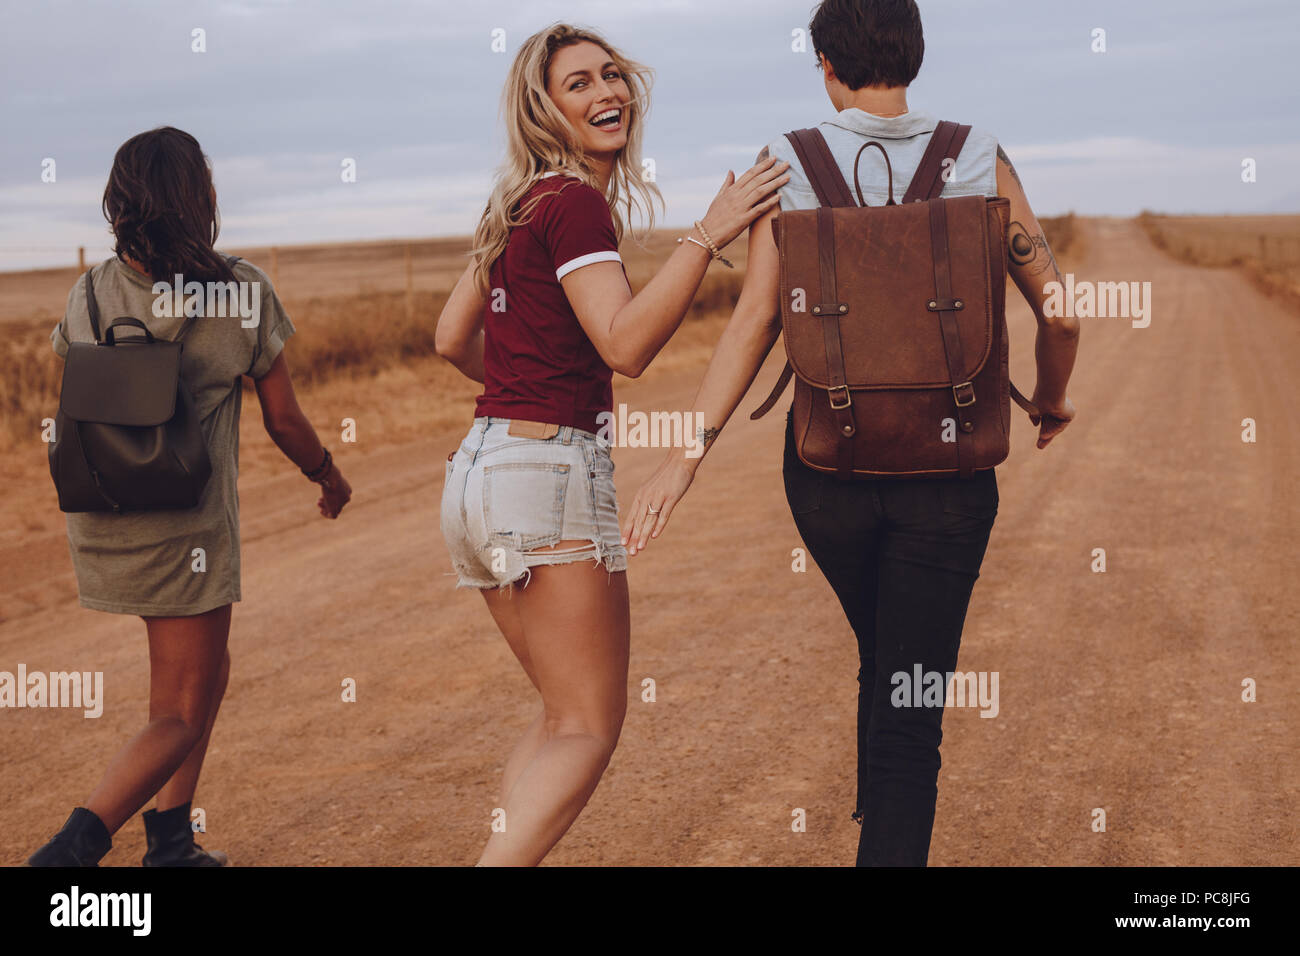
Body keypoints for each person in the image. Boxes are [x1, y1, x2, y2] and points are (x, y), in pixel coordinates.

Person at [621, 0, 1080, 866]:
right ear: (916, 54)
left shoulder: (787, 162)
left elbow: (754, 321)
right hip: (948, 476)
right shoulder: (982, 155)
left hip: (826, 471)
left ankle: (877, 820)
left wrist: (686, 458)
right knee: (912, 698)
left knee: (886, 647)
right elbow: (1061, 312)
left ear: (825, 65)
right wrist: (1050, 401)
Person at [435, 23, 788, 866]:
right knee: (590, 728)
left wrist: (530, 384)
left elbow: (452, 338)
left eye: (612, 77)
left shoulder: (518, 204)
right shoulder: (577, 202)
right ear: (542, 110)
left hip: (476, 474)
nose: (606, 95)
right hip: (544, 475)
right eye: (578, 86)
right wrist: (708, 237)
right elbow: (626, 346)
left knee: (561, 718)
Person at [28, 126, 352, 867]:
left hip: (104, 516)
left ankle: (172, 843)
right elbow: (284, 418)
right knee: (178, 709)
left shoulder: (88, 290)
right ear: (197, 197)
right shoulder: (240, 291)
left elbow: (81, 396)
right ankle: (68, 854)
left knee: (206, 673)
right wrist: (327, 474)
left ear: (122, 200)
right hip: (186, 534)